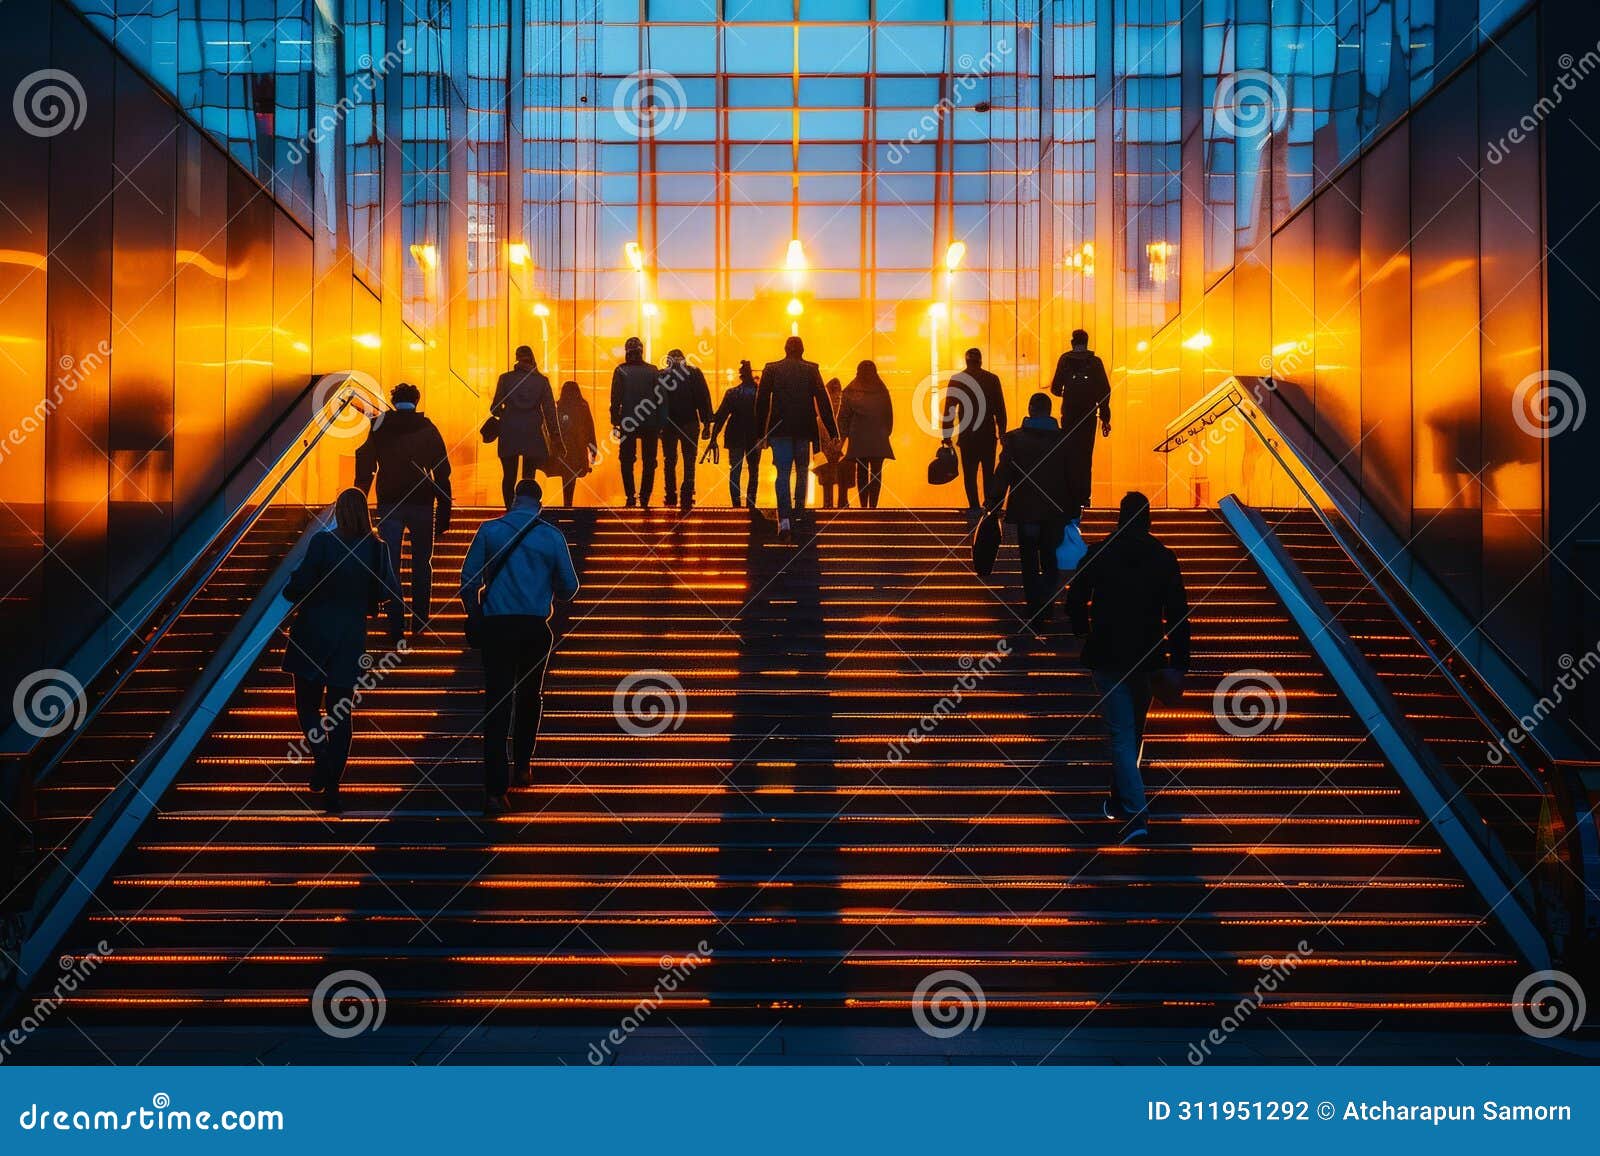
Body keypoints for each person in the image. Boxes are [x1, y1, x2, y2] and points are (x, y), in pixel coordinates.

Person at [1065, 491, 1190, 844]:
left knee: (1122, 734)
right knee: (1133, 732)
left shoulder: (1101, 551)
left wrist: (1082, 630)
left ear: (1120, 517)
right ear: (1148, 519)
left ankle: (1136, 812)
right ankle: (1122, 801)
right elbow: (1178, 614)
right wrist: (1180, 662)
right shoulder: (1163, 557)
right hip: (1147, 656)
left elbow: (1076, 596)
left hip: (1106, 653)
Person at [459, 478, 580, 815]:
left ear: (513, 499)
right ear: (539, 502)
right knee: (529, 696)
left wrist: (476, 615)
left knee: (497, 704)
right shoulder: (551, 536)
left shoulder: (490, 530)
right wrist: (546, 585)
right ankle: (524, 766)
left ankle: (494, 791)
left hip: (497, 627)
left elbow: (468, 582)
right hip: (534, 627)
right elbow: (570, 587)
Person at [281, 488, 404, 813]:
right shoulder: (378, 549)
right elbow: (390, 591)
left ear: (338, 511)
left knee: (307, 706)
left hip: (312, 633)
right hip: (350, 638)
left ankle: (320, 756)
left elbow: (298, 586)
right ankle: (334, 786)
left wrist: (295, 584)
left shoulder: (323, 543)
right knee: (341, 714)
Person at [354, 382, 452, 636]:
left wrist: (357, 499)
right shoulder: (429, 428)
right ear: (417, 401)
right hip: (422, 502)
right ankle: (420, 621)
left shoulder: (379, 426)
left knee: (390, 564)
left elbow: (366, 464)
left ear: (394, 401)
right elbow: (442, 471)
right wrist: (444, 510)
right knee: (422, 563)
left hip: (389, 502)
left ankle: (395, 625)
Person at [986, 393, 1073, 633]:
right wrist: (1075, 504)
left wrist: (994, 500)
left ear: (1030, 409)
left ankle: (1034, 605)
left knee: (1029, 562)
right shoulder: (1064, 439)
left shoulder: (1015, 439)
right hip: (1055, 511)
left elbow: (1004, 471)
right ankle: (1046, 602)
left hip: (1026, 510)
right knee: (1050, 559)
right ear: (1049, 410)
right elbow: (1072, 474)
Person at [757, 335, 838, 542]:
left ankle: (784, 519)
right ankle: (799, 513)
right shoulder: (811, 370)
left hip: (780, 430)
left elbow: (762, 403)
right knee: (802, 471)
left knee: (782, 473)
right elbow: (823, 402)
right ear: (802, 350)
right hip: (804, 430)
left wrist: (760, 433)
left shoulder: (771, 369)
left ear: (785, 350)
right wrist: (833, 430)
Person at [1050, 328, 1112, 518]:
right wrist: (1105, 418)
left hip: (1069, 415)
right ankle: (1084, 496)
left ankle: (1068, 494)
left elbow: (1054, 388)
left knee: (1068, 454)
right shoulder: (1095, 362)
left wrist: (1066, 394)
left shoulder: (1065, 360)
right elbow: (1105, 391)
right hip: (1088, 416)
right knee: (1085, 456)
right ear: (1087, 342)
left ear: (1072, 342)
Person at [490, 345, 562, 509]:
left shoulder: (505, 379)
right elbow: (550, 413)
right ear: (532, 359)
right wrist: (556, 438)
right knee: (528, 477)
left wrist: (508, 414)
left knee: (509, 475)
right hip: (533, 433)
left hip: (509, 432)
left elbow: (494, 407)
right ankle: (525, 509)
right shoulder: (542, 381)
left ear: (517, 359)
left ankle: (509, 509)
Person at [942, 348, 1007, 515]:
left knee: (969, 473)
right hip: (987, 433)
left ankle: (974, 506)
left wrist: (947, 435)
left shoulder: (957, 380)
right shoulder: (992, 379)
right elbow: (1000, 408)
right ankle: (989, 505)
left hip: (967, 435)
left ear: (966, 361)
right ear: (981, 361)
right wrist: (1002, 432)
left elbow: (949, 409)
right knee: (988, 472)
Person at [609, 336, 665, 508]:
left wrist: (615, 420)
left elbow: (615, 398)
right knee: (649, 461)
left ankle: (630, 496)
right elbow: (660, 399)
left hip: (628, 421)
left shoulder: (620, 371)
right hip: (650, 422)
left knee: (627, 460)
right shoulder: (653, 371)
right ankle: (645, 496)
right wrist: (661, 423)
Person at [657, 348, 714, 512]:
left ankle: (670, 492)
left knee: (669, 459)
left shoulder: (661, 375)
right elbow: (703, 398)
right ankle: (687, 491)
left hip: (668, 424)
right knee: (689, 459)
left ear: (668, 360)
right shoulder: (694, 373)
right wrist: (706, 423)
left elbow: (655, 401)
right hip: (689, 422)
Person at [837, 360, 895, 509]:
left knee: (862, 472)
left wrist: (841, 438)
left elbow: (843, 416)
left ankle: (864, 506)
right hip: (878, 436)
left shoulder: (850, 390)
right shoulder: (881, 390)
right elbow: (888, 413)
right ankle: (873, 506)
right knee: (876, 472)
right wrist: (886, 432)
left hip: (858, 436)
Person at [712, 360, 762, 508]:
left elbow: (721, 417)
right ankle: (751, 502)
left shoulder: (732, 393)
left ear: (740, 376)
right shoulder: (760, 394)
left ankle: (736, 503)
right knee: (753, 470)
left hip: (735, 435)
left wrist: (713, 436)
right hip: (754, 435)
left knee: (735, 469)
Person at [549, 380, 598, 506]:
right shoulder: (583, 406)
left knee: (566, 474)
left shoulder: (558, 406)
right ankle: (568, 503)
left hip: (563, 447)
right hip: (578, 446)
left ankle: (567, 502)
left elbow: (553, 427)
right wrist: (593, 448)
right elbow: (589, 428)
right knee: (571, 475)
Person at [814, 376, 852, 510]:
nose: (837, 402)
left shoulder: (841, 418)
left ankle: (840, 501)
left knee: (843, 465)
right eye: (834, 399)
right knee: (828, 470)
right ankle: (829, 503)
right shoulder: (821, 419)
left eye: (839, 399)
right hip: (826, 456)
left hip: (836, 455)